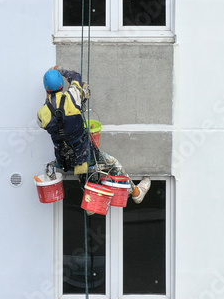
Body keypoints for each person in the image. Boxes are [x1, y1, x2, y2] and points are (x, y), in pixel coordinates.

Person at [37, 66, 151, 203]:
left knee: (83, 173)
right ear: (61, 84)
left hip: (64, 160)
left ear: (46, 89)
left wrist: (49, 101)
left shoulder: (42, 113)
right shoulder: (73, 96)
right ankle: (137, 193)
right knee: (113, 163)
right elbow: (76, 77)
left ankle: (90, 202)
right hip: (85, 154)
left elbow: (44, 124)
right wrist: (61, 70)